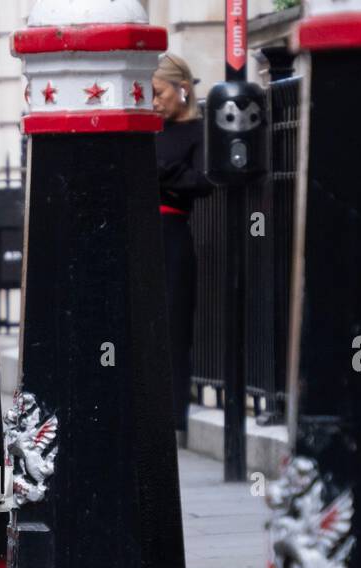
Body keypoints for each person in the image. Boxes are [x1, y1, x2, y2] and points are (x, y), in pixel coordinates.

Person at [153, 54, 213, 443]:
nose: (154, 102)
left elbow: (202, 180)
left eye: (158, 93)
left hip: (172, 233)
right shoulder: (149, 131)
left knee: (174, 327)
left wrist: (162, 174)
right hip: (143, 231)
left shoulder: (198, 132)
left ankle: (174, 419)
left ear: (182, 89)